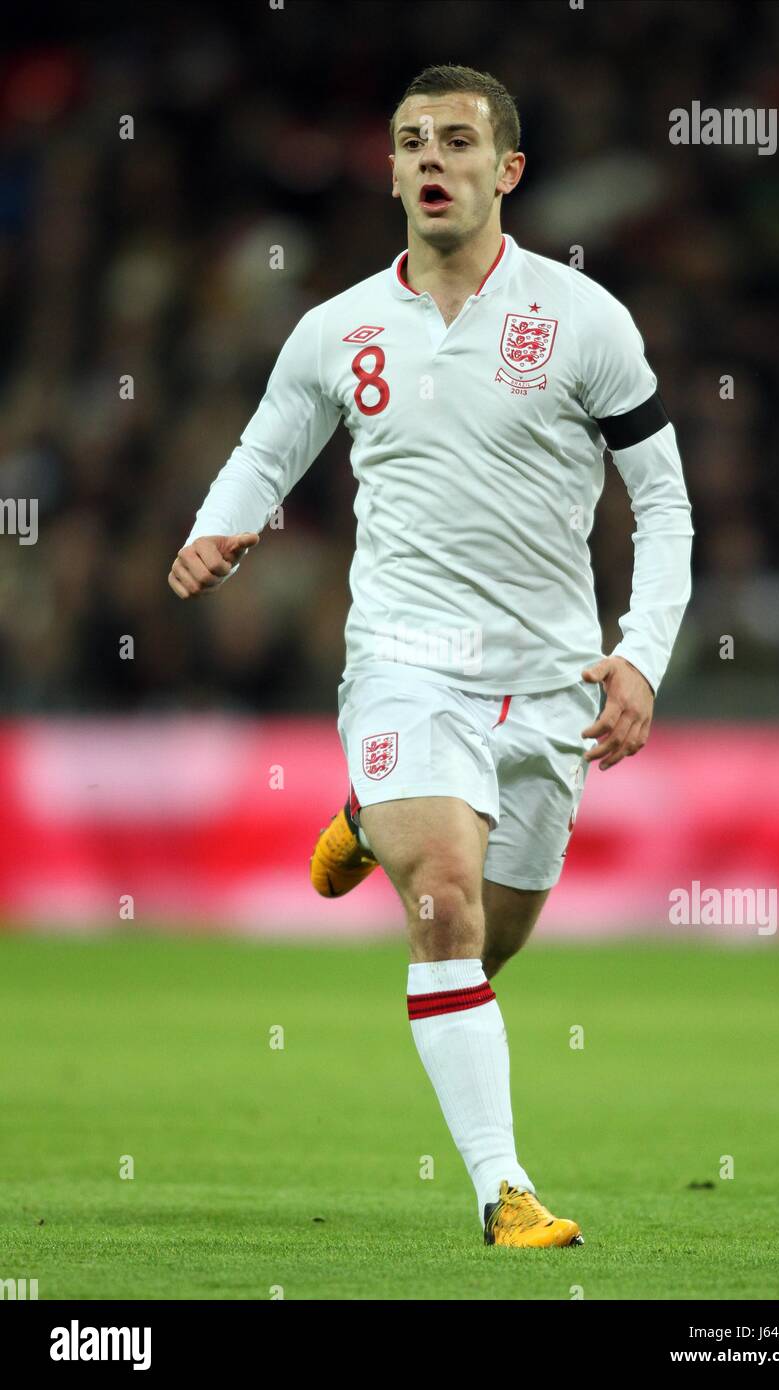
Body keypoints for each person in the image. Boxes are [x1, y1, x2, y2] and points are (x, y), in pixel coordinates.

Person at [169, 64, 693, 1248]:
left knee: (490, 942)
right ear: (393, 169)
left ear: (506, 171)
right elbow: (268, 447)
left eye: (457, 142)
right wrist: (217, 523)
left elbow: (663, 505)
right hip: (406, 664)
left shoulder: (583, 319)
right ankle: (503, 1191)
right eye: (411, 143)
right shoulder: (337, 327)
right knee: (445, 908)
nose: (431, 162)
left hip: (550, 686)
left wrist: (641, 655)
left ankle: (366, 812)